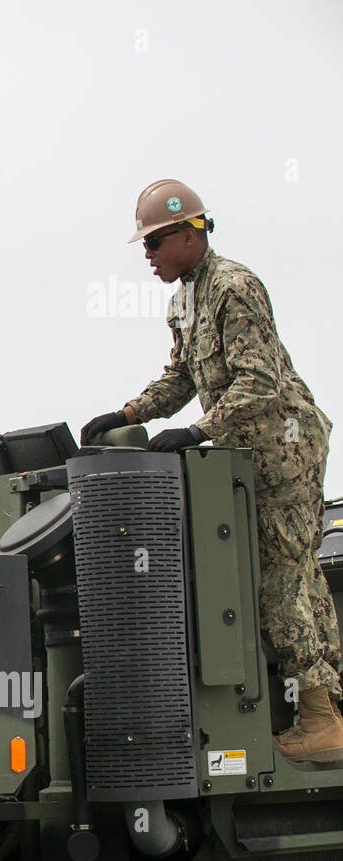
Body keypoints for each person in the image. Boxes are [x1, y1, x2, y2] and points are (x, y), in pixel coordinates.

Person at [82, 178, 340, 763]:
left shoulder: (233, 286)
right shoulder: (185, 300)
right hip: (246, 457)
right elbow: (180, 378)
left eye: (153, 244)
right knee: (294, 578)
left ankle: (322, 719)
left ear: (188, 234)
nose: (146, 257)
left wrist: (198, 430)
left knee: (280, 581)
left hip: (283, 451)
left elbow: (259, 383)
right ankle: (328, 713)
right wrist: (127, 414)